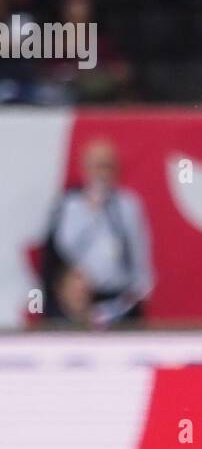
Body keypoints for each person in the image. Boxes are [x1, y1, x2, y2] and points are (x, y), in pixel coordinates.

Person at [42, 138, 154, 327]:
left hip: (118, 299)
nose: (102, 173)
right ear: (85, 168)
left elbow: (138, 247)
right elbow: (65, 249)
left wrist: (141, 288)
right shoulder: (71, 204)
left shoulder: (127, 204)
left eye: (108, 167)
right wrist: (92, 212)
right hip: (81, 301)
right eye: (98, 166)